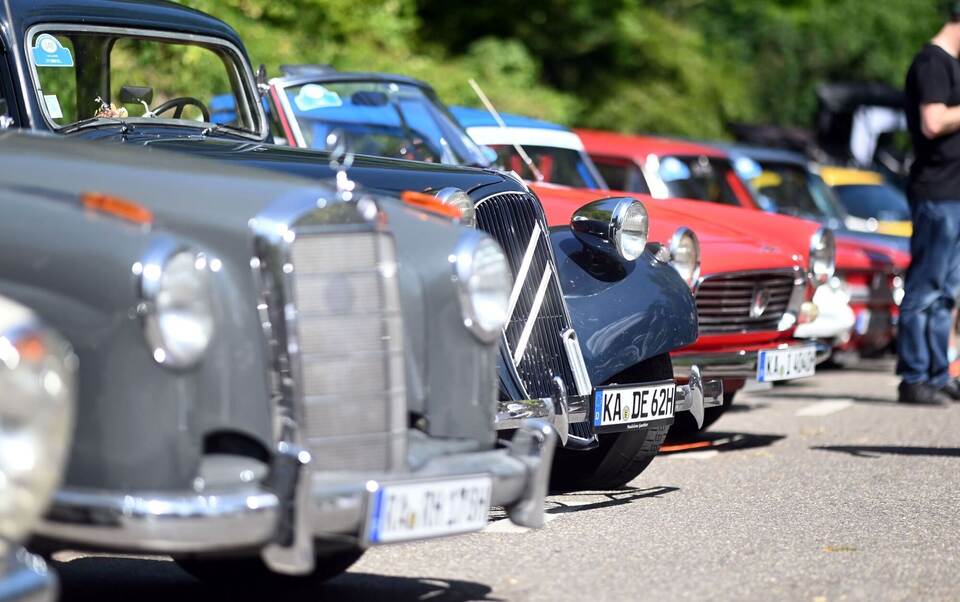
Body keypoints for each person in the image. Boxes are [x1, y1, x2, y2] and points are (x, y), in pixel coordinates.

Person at [898, 1, 960, 404]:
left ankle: (938, 374)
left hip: (954, 193)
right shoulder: (931, 62)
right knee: (927, 288)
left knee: (948, 291)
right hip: (936, 193)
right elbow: (933, 122)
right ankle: (914, 376)